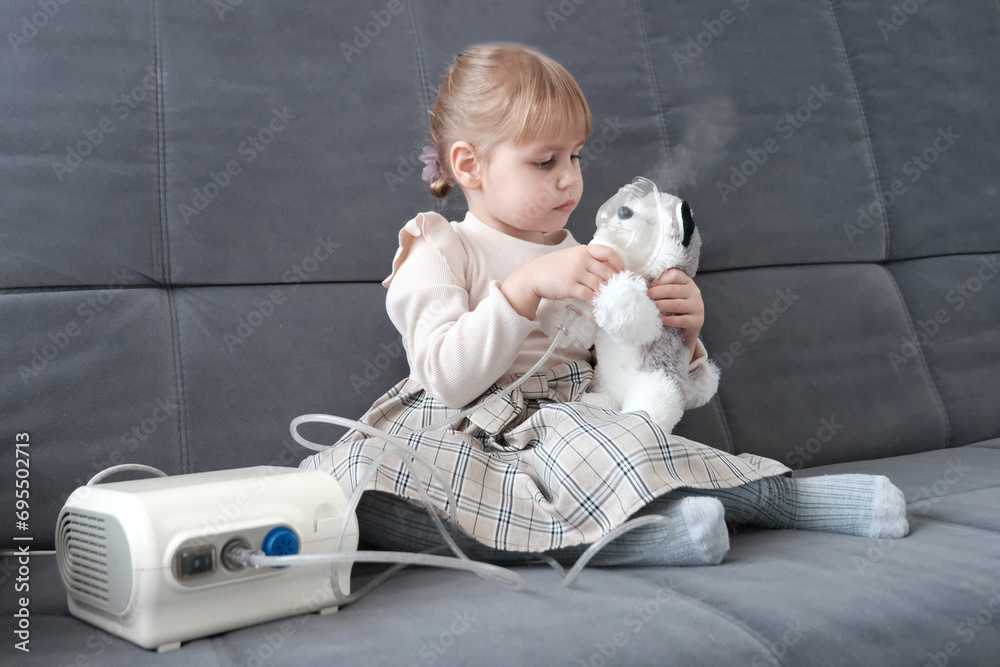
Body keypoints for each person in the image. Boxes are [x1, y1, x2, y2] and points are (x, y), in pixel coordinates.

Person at [301, 43, 908, 566]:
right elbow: (444, 378)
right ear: (470, 165)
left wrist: (682, 333)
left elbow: (625, 366)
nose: (570, 178)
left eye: (576, 156)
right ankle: (644, 541)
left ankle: (792, 500)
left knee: (637, 450)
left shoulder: (585, 253)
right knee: (357, 474)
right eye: (545, 161)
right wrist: (526, 286)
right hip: (460, 433)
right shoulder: (440, 247)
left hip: (572, 423)